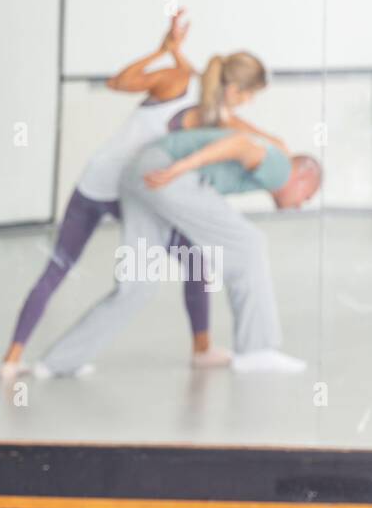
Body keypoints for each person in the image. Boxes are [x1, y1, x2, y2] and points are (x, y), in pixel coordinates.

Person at [2, 12, 273, 376]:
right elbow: (118, 81)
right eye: (249, 97)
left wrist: (280, 151)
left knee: (195, 262)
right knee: (61, 265)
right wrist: (161, 50)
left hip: (140, 194)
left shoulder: (213, 113)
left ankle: (201, 349)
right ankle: (13, 359)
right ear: (235, 89)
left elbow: (250, 135)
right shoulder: (180, 81)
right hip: (98, 186)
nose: (247, 106)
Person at [35, 124, 321, 377]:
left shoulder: (272, 152)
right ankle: (256, 350)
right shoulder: (280, 168)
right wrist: (182, 167)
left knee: (137, 285)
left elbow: (234, 129)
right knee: (249, 244)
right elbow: (237, 144)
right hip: (167, 172)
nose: (301, 204)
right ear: (303, 176)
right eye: (307, 196)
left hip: (138, 173)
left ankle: (57, 363)